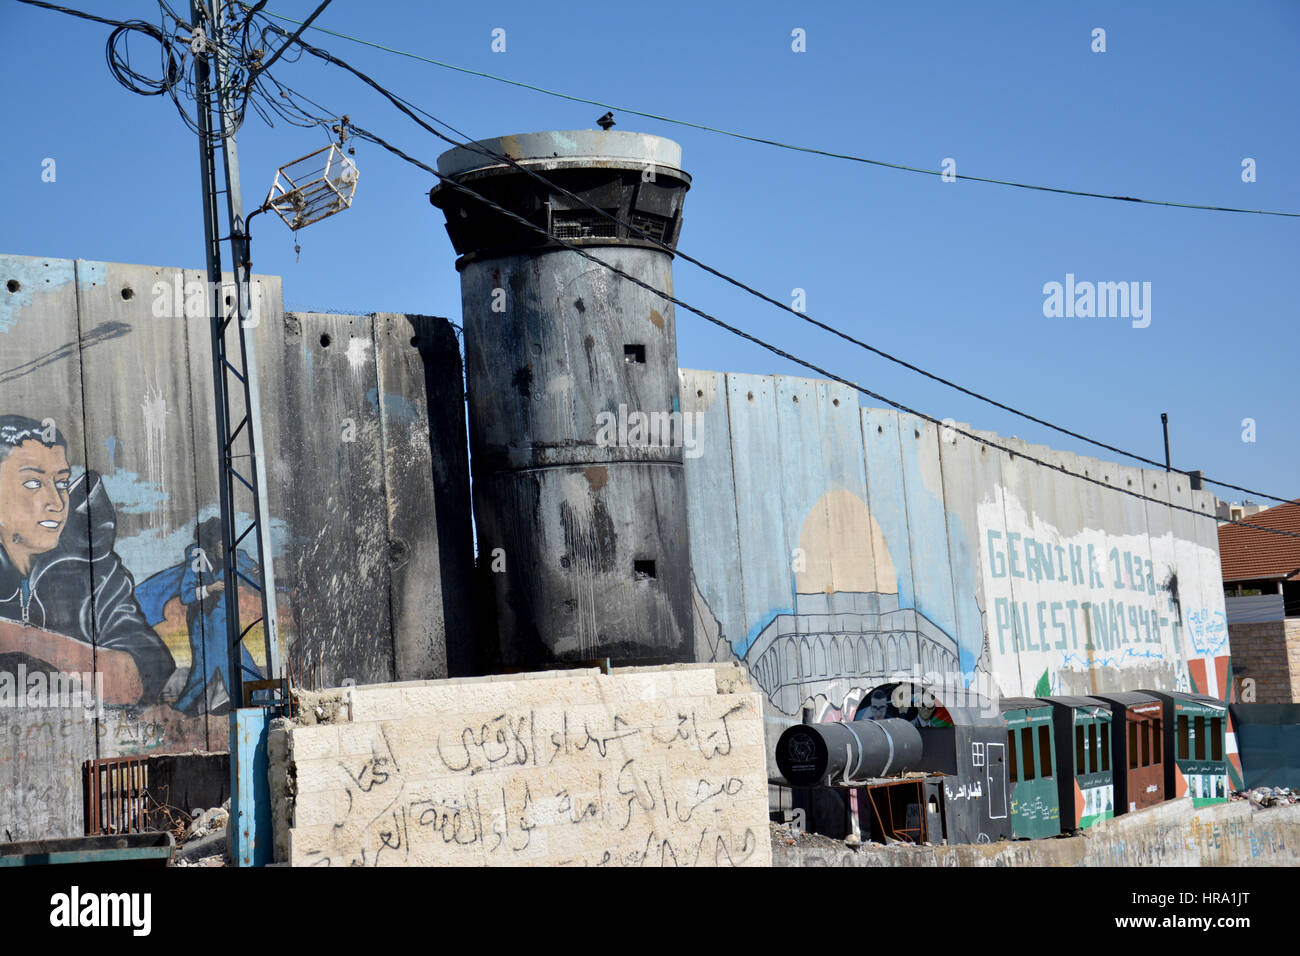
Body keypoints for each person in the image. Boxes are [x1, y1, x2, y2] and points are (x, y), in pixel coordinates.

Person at [0, 415, 175, 705]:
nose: (56, 502)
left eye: (62, 482)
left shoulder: (94, 567)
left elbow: (141, 677)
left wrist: (17, 638)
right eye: (33, 482)